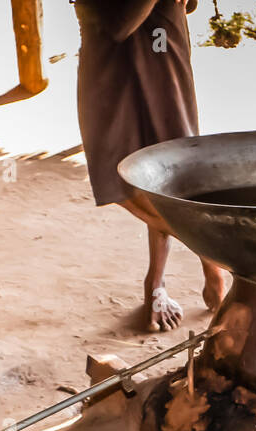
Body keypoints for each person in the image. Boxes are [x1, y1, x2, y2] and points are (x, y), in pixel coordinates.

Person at [74, 0, 227, 331]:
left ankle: (159, 281)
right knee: (121, 176)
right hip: (109, 60)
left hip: (162, 53)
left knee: (173, 174)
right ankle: (222, 261)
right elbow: (119, 23)